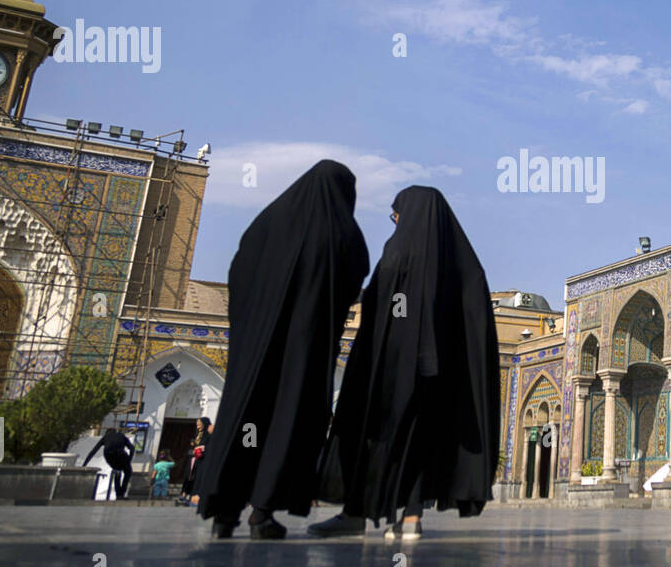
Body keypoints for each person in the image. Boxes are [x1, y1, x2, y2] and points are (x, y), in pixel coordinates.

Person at [310, 186, 500, 541]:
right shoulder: (465, 264)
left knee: (371, 436)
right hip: (438, 377)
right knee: (421, 438)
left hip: (387, 370)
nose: (395, 219)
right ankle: (411, 519)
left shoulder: (398, 251)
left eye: (396, 213)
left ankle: (354, 514)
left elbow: (381, 310)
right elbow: (477, 332)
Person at [194, 161, 369, 539]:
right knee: (287, 424)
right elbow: (354, 283)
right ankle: (262, 512)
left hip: (253, 351)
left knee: (245, 421)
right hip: (305, 355)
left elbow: (238, 275)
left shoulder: (265, 225)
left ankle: (223, 512)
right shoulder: (341, 232)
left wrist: (254, 327)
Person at [83, 428, 135, 500]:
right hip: (121, 456)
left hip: (109, 456)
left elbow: (93, 451)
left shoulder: (105, 437)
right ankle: (121, 493)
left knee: (117, 471)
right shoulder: (121, 435)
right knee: (128, 472)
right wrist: (129, 459)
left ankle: (119, 494)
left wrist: (84, 465)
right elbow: (132, 448)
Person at [178, 417, 211, 506]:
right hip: (194, 459)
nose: (198, 426)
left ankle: (196, 497)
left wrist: (202, 448)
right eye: (197, 424)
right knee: (189, 476)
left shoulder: (208, 435)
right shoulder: (198, 434)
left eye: (199, 424)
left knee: (198, 477)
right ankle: (187, 494)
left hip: (202, 460)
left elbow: (210, 447)